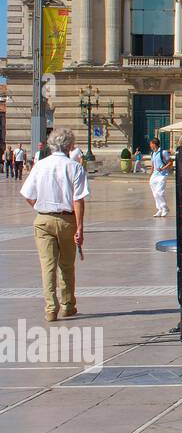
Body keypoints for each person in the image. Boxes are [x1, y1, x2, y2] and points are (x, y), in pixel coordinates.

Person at [20, 128, 88, 322]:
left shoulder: (40, 165)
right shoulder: (75, 167)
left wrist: (41, 208)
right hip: (67, 220)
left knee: (47, 266)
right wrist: (80, 227)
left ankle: (51, 309)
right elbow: (78, 200)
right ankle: (67, 306)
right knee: (66, 265)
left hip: (43, 220)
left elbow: (27, 194)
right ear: (69, 146)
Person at [147, 138, 173, 217]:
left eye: (151, 144)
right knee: (155, 194)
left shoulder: (163, 152)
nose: (150, 145)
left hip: (162, 175)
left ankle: (165, 208)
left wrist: (162, 168)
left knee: (159, 192)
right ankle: (160, 209)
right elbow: (153, 164)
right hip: (154, 175)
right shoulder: (153, 153)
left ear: (154, 144)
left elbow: (170, 162)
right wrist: (150, 174)